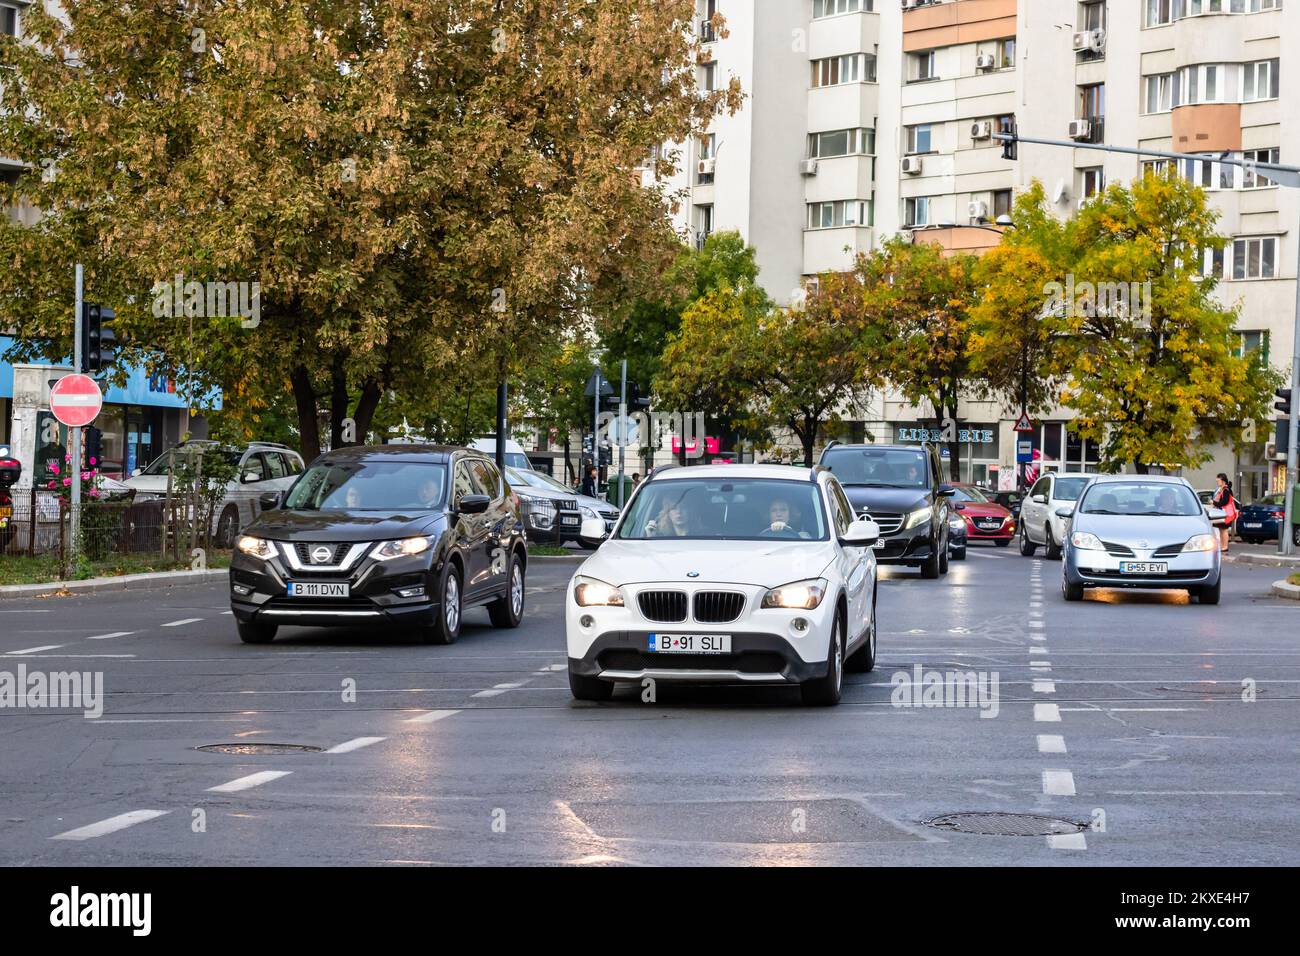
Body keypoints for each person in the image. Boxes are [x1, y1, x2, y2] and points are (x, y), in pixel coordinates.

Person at [1211, 473, 1236, 554]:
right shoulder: (1221, 489)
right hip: (1222, 513)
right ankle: (1222, 546)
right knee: (1221, 529)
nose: (1217, 482)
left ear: (1223, 481)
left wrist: (1214, 503)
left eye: (1218, 481)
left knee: (1224, 530)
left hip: (1225, 513)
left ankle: (1225, 547)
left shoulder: (1226, 490)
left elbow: (1225, 502)